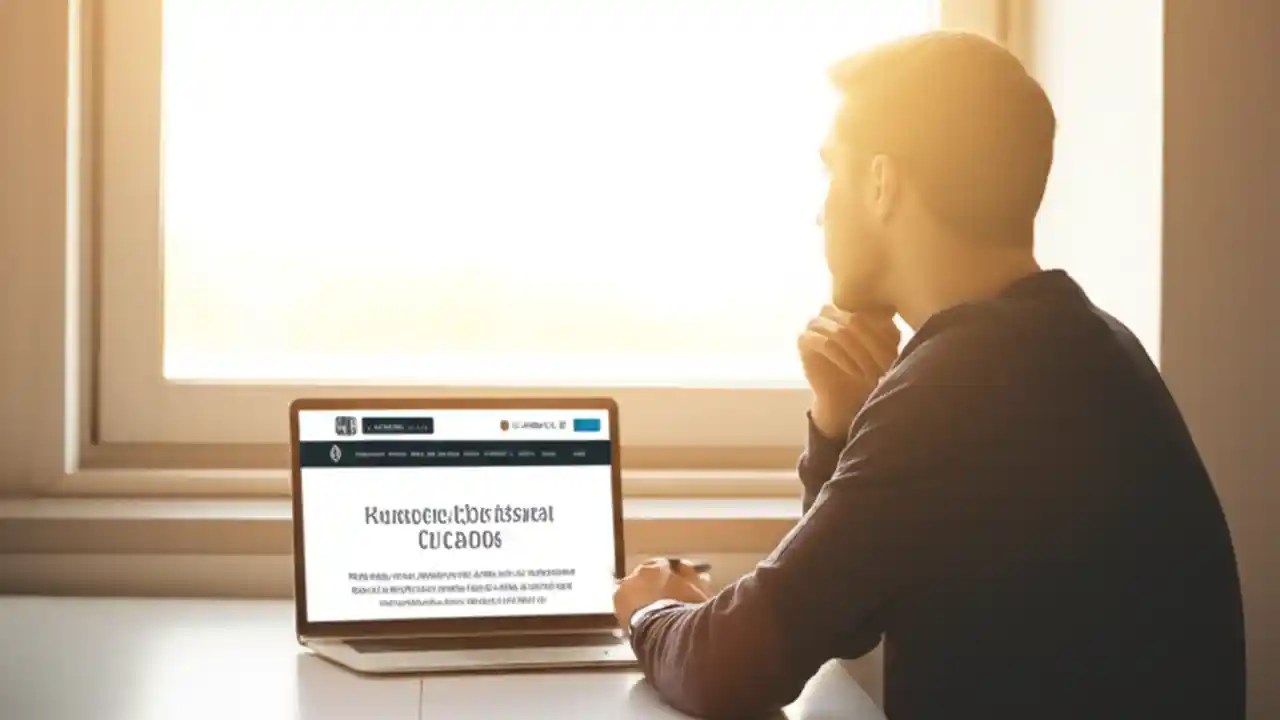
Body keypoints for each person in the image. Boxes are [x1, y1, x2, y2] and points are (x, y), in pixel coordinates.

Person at [612, 31, 1245, 719]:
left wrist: (651, 612)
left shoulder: (965, 382)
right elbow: (846, 618)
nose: (820, 210)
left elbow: (722, 673)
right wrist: (839, 424)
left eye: (833, 172)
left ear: (882, 182)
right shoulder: (1076, 342)